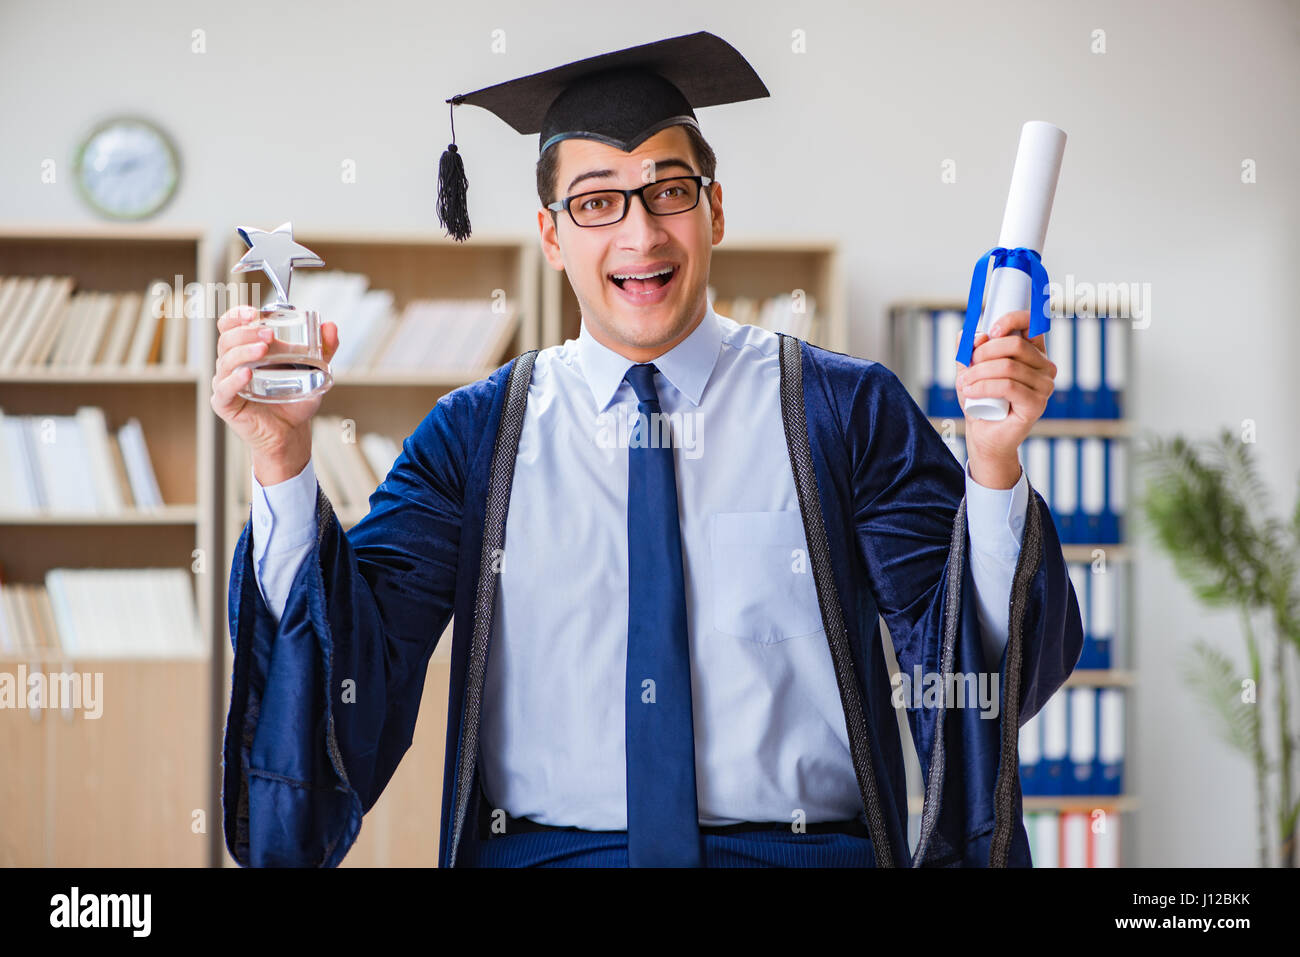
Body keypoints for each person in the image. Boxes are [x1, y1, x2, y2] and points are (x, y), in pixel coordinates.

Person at [212, 31, 1082, 868]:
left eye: (669, 191)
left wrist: (993, 465)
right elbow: (349, 662)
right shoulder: (474, 437)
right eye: (595, 203)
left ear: (715, 209)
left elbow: (970, 668)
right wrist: (283, 460)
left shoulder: (843, 409)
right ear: (553, 235)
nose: (640, 236)